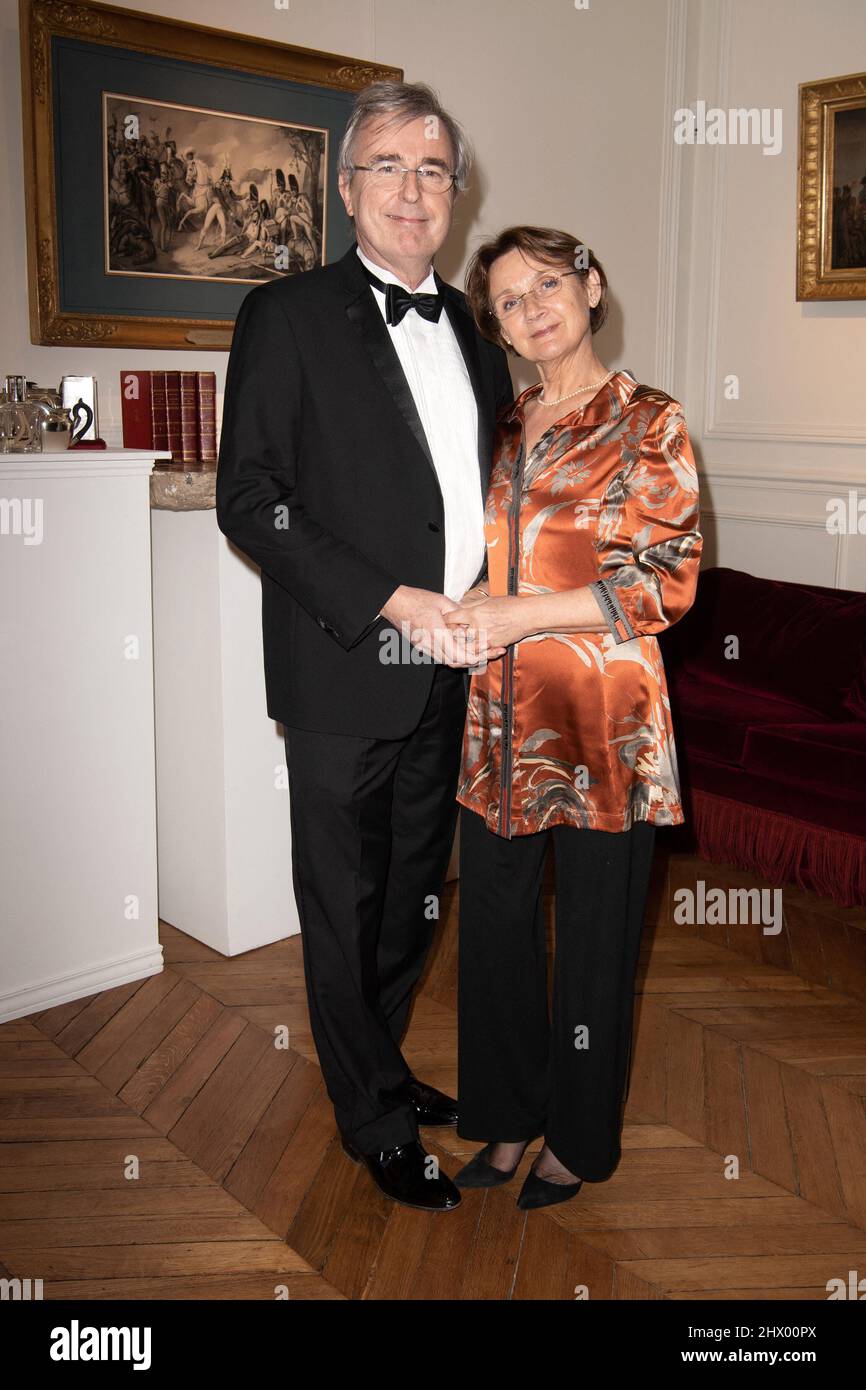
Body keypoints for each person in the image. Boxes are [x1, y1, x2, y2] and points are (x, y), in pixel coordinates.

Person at [216, 81, 513, 1213]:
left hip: (452, 670)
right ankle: (372, 1118)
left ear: (454, 194)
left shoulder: (479, 341)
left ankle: (372, 1064)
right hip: (345, 661)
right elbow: (252, 500)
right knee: (341, 898)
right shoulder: (284, 316)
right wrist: (390, 599)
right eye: (386, 165)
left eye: (432, 170)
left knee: (407, 902)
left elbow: (482, 500)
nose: (411, 189)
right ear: (346, 189)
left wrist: (492, 594)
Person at [444, 225, 702, 1209]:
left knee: (594, 939)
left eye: (546, 283)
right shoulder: (504, 426)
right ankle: (507, 1113)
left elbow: (661, 583)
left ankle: (578, 1139)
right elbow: (485, 552)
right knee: (496, 928)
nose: (530, 308)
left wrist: (517, 612)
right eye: (507, 301)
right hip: (499, 722)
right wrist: (459, 605)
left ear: (589, 286)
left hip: (603, 723)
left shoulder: (650, 421)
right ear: (498, 328)